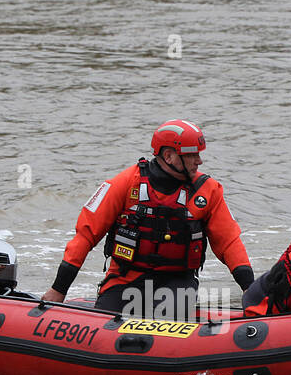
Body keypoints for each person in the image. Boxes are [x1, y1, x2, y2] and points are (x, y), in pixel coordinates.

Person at [41, 120, 254, 319]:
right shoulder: (124, 184)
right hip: (125, 277)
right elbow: (86, 235)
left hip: (177, 281)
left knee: (170, 328)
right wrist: (59, 289)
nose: (199, 160)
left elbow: (229, 243)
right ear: (169, 156)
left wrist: (250, 289)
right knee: (104, 328)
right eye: (192, 155)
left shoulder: (208, 192)